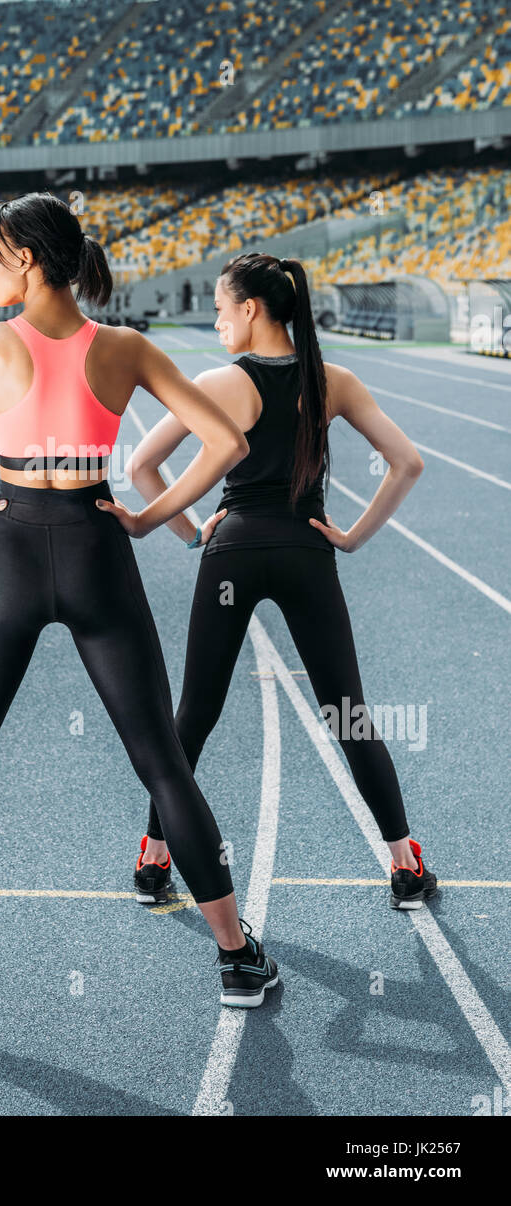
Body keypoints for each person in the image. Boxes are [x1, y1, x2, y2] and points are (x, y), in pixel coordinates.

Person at [0, 196, 279, 1013]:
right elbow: (227, 443)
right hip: (95, 547)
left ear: (26, 259)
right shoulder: (121, 347)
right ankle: (236, 960)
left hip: (10, 550)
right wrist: (149, 517)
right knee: (161, 763)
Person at [127, 252, 437, 914]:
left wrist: (189, 533)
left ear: (249, 309)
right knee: (347, 713)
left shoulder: (216, 382)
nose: (214, 322)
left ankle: (154, 856)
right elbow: (406, 463)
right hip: (305, 551)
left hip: (231, 552)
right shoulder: (335, 381)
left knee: (194, 713)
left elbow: (141, 466)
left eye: (217, 308)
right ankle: (405, 864)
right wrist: (351, 536)